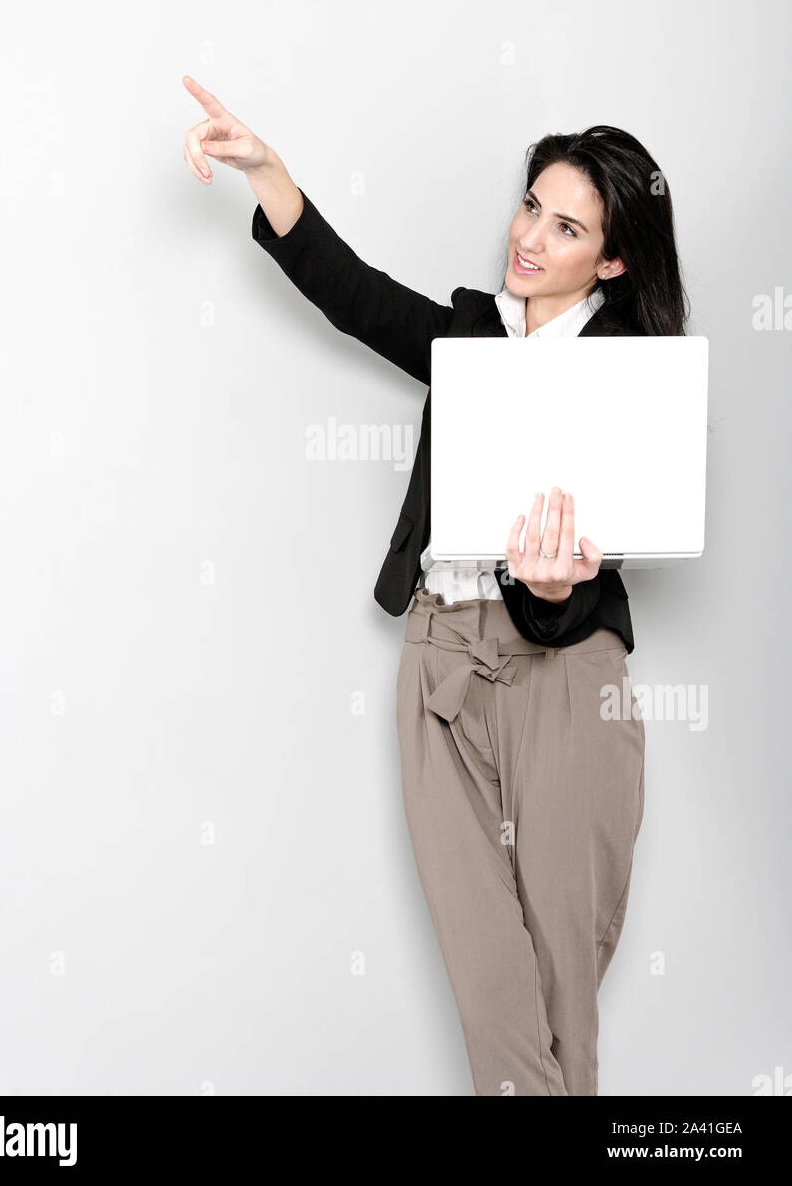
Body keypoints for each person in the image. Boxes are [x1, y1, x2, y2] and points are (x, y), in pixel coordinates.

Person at [181, 77, 689, 1096]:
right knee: (491, 997)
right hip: (438, 663)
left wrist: (548, 593)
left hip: (563, 675)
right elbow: (356, 296)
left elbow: (588, 575)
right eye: (529, 205)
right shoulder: (468, 336)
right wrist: (270, 172)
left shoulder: (633, 375)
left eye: (565, 224)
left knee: (559, 1005)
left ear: (613, 256)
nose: (530, 237)